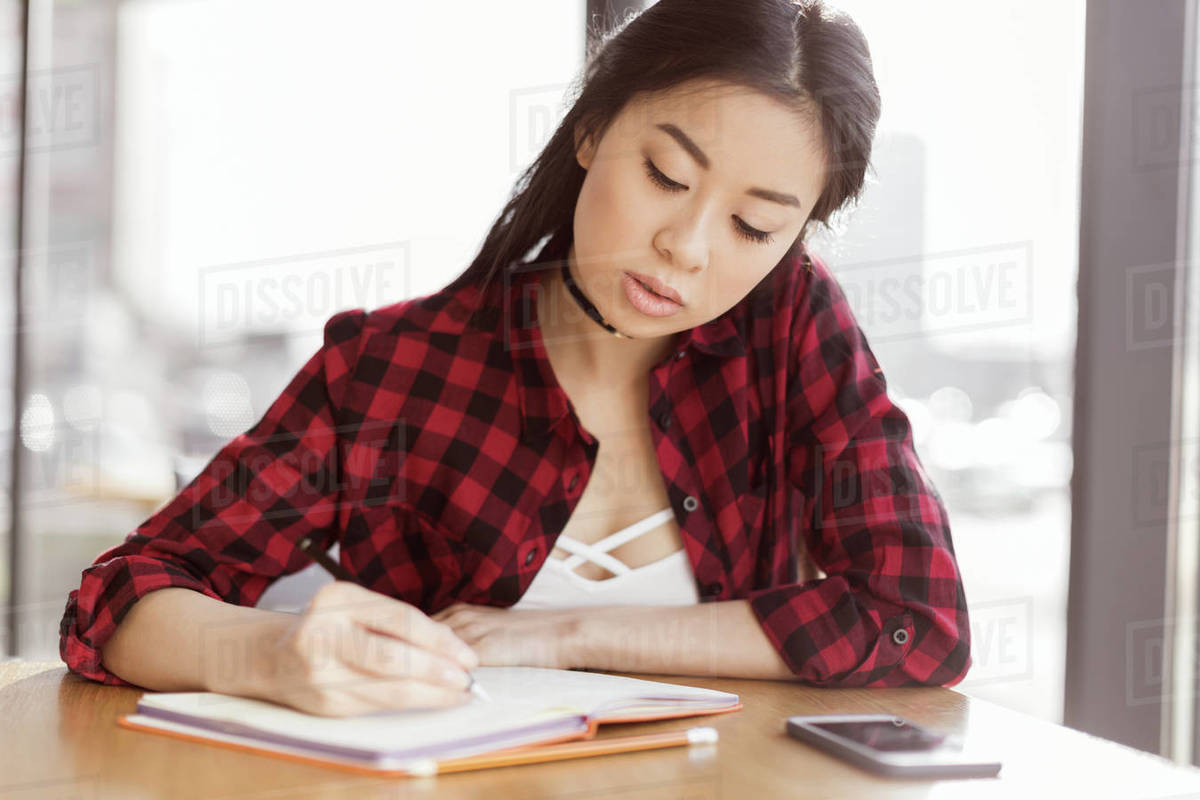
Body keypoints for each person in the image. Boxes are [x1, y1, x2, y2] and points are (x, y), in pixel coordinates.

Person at [58, 0, 971, 718]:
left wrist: (562, 633)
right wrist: (270, 654)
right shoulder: (395, 369)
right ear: (590, 132)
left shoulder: (791, 332)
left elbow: (918, 624)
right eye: (664, 175)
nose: (688, 247)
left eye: (754, 225)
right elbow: (119, 601)